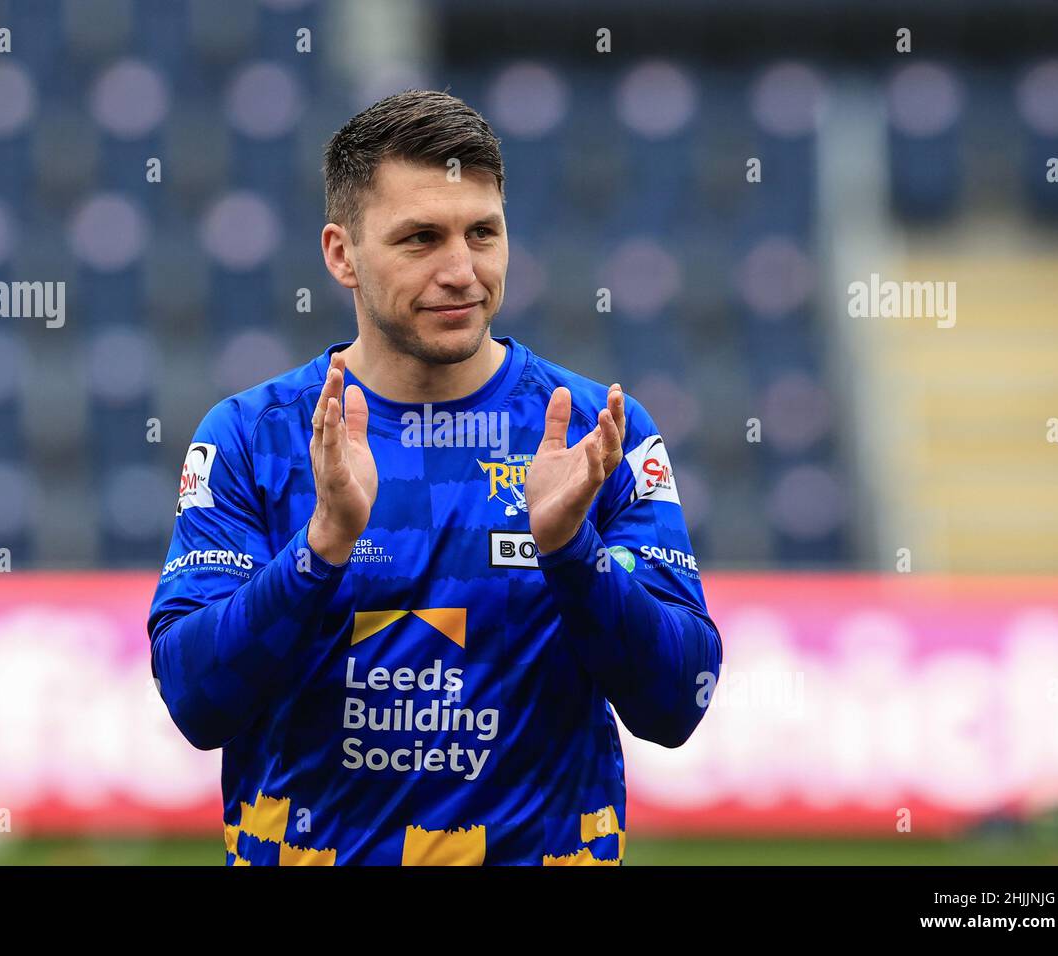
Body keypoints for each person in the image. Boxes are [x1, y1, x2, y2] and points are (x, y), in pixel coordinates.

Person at [147, 89, 722, 865]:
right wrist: (321, 548)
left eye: (482, 233)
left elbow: (676, 701)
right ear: (341, 254)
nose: (462, 271)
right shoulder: (254, 437)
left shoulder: (597, 433)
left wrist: (572, 554)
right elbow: (195, 700)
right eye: (420, 239)